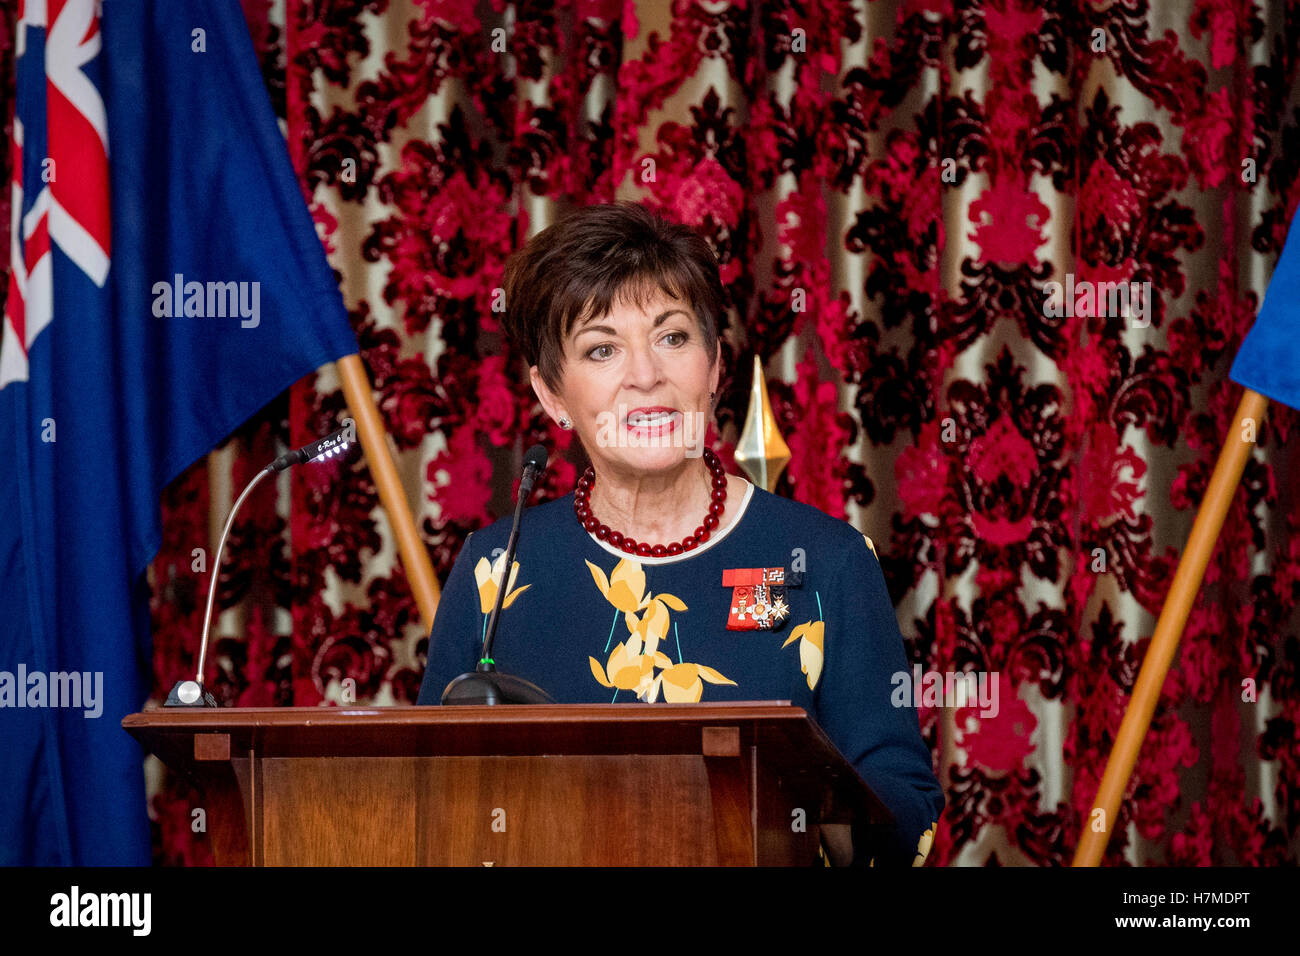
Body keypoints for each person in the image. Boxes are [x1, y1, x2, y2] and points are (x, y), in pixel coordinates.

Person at [416, 200, 944, 866]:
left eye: (672, 337)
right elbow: (432, 801)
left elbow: (906, 810)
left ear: (716, 364)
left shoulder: (824, 563)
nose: (646, 376)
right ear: (551, 394)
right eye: (602, 349)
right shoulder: (497, 569)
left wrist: (799, 824)